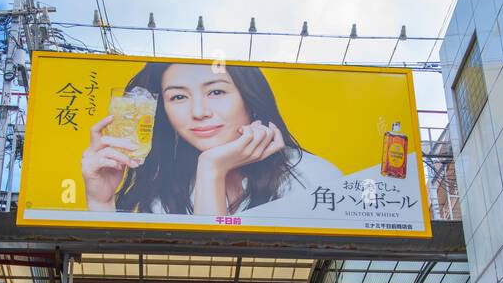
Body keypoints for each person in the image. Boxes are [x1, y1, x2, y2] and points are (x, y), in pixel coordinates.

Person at [81, 62, 344, 219]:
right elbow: (123, 280)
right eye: (178, 97)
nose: (199, 112)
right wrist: (101, 202)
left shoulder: (313, 177)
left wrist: (211, 168)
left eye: (216, 91)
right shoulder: (165, 190)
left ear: (249, 98)